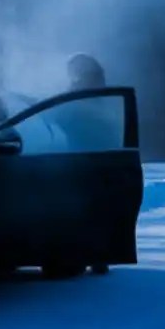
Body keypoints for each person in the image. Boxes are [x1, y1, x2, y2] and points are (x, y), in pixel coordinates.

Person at [63, 52, 111, 275]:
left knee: (83, 207)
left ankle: (86, 255)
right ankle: (97, 256)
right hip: (97, 155)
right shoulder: (100, 93)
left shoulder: (81, 93)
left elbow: (66, 117)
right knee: (94, 208)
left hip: (83, 155)